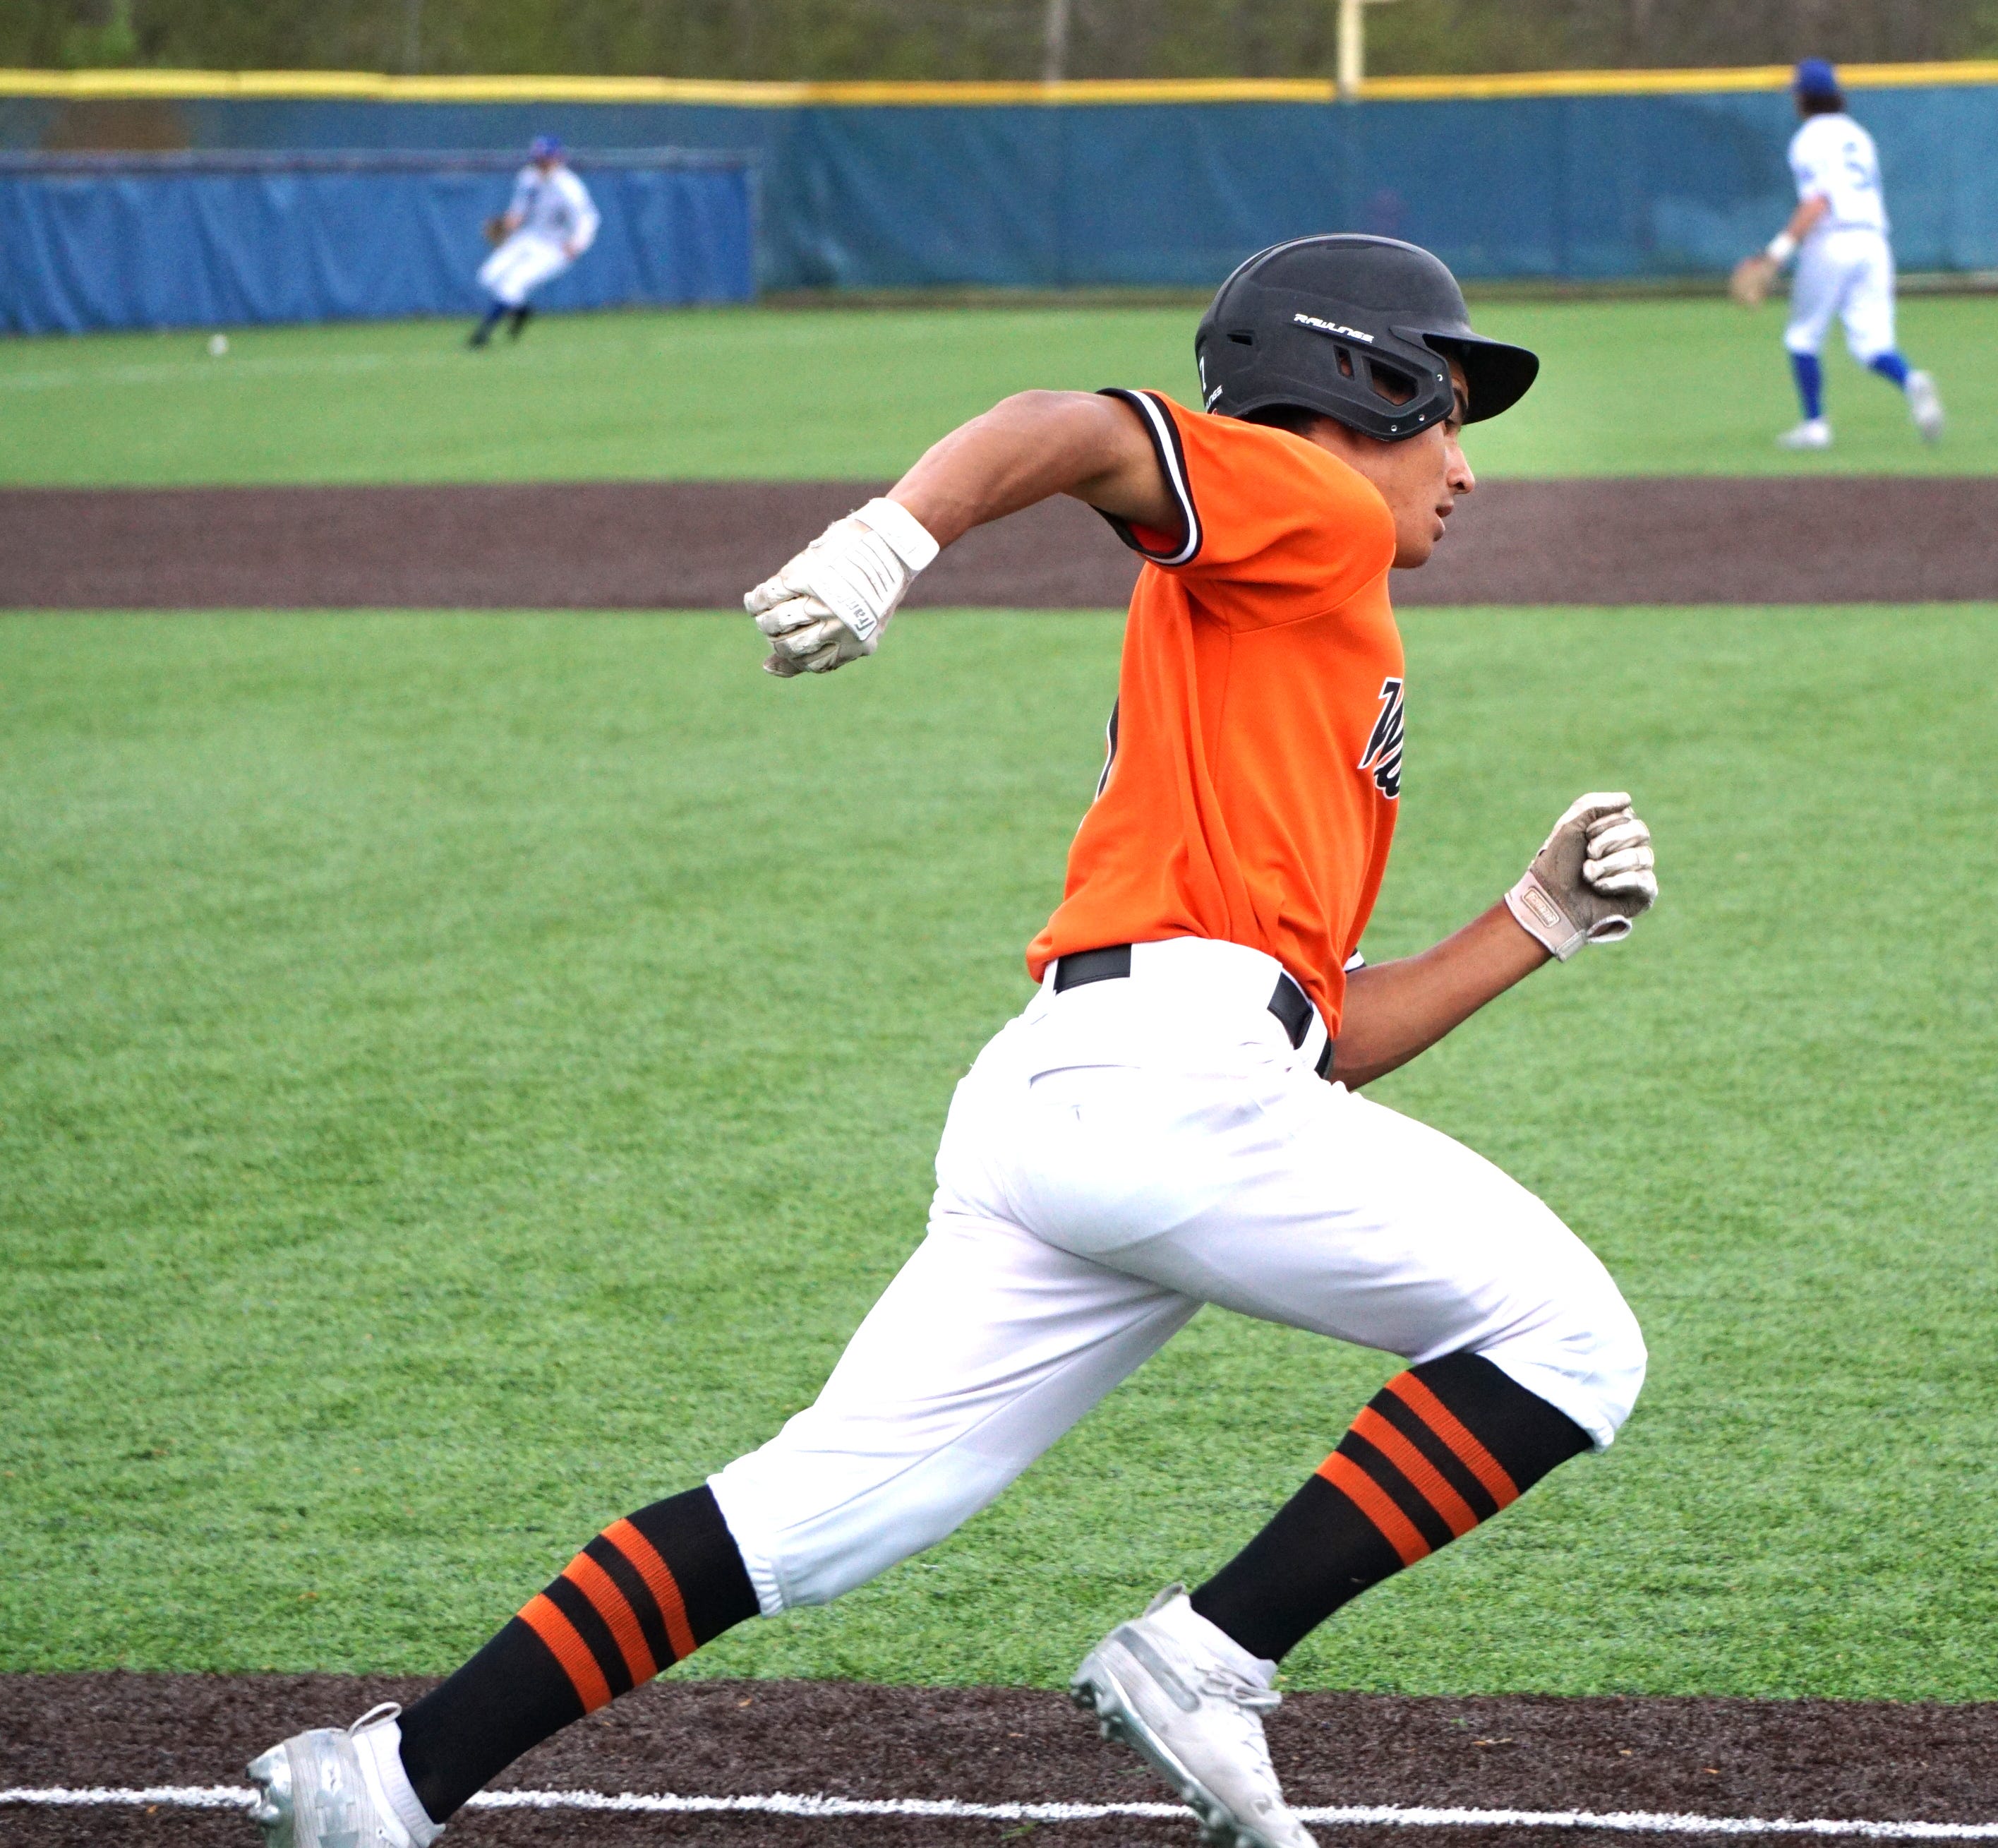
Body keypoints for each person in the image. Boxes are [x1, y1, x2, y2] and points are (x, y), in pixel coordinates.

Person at [248, 234, 1659, 1848]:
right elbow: (1066, 426)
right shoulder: (1310, 498)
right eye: (1447, 412)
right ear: (1356, 386)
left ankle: (394, 1779)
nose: (1464, 469)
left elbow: (1321, 1036)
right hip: (1169, 1092)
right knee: (1570, 1342)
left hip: (1086, 1095)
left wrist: (1529, 925)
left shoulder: (1287, 608)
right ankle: (1204, 1660)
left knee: (806, 1514)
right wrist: (889, 539)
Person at [1756, 59, 1943, 450]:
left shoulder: (1808, 139)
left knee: (1802, 337)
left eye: (1796, 90)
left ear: (1805, 96)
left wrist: (1778, 252)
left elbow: (1819, 201)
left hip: (1832, 240)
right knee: (1873, 346)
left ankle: (1815, 426)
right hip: (1874, 243)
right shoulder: (1860, 135)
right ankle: (1912, 382)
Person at [467, 135, 598, 349]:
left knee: (512, 284)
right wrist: (505, 224)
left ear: (558, 158)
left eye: (546, 159)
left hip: (555, 248)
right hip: (530, 237)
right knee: (488, 276)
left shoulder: (569, 186)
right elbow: (518, 212)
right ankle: (521, 311)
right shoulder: (528, 177)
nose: (542, 163)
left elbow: (588, 218)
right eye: (538, 159)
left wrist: (578, 243)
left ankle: (482, 334)